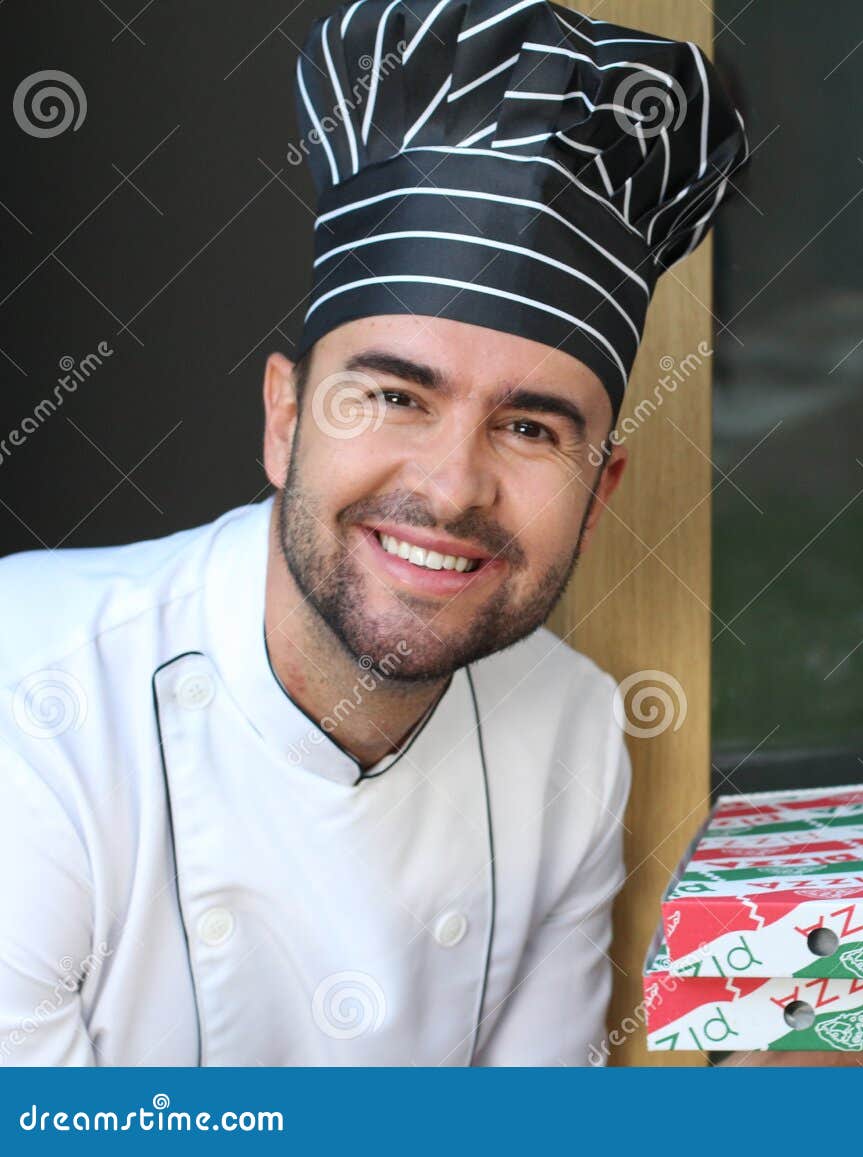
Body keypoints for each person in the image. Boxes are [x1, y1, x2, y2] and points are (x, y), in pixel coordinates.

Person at [0, 0, 748, 1066]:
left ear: (598, 487)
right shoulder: (28, 691)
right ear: (285, 416)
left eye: (530, 426)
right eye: (397, 397)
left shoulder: (569, 731)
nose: (451, 489)